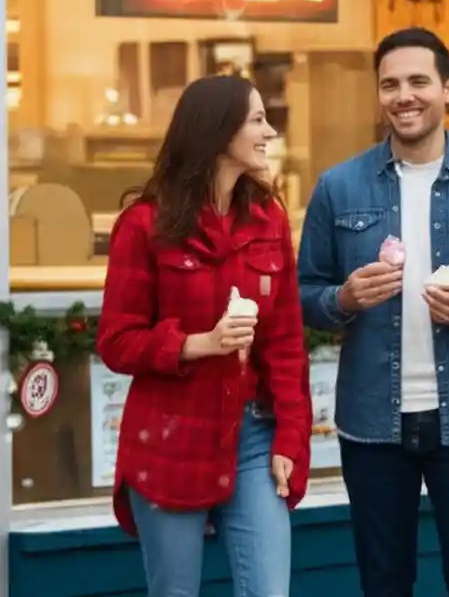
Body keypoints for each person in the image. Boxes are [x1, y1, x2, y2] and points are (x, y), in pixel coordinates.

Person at [297, 26, 449, 596]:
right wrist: (343, 299)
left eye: (418, 82)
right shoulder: (338, 187)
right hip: (372, 423)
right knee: (384, 583)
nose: (403, 96)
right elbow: (303, 293)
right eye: (390, 85)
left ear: (448, 89)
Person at [97, 74, 312, 596]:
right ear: (219, 131)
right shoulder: (144, 225)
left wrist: (291, 436)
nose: (270, 132)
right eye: (257, 120)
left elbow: (286, 344)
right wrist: (197, 344)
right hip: (170, 436)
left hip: (253, 434)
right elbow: (117, 341)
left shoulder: (268, 220)